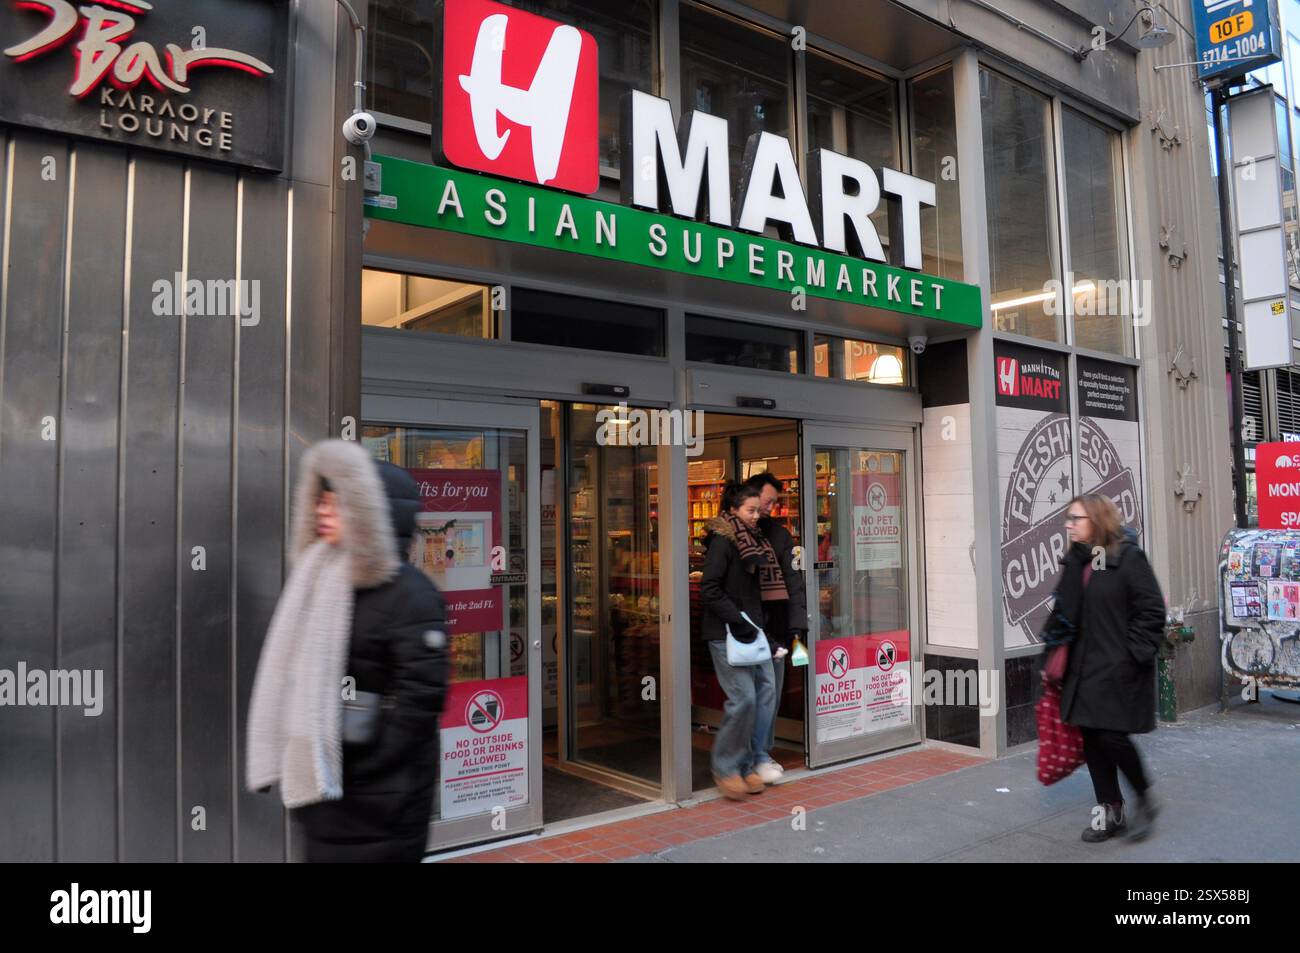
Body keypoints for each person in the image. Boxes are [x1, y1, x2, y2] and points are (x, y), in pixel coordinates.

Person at [246, 439, 449, 862]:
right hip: (325, 790)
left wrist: (365, 766)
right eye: (318, 502)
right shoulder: (317, 583)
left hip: (382, 799)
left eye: (333, 502)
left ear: (369, 512)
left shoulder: (411, 595)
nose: (321, 511)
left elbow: (421, 698)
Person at [1041, 493, 1166, 843]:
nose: (1068, 524)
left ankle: (1145, 797)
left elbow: (1152, 611)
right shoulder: (1080, 560)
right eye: (1068, 518)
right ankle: (1110, 813)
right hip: (1082, 670)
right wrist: (1048, 659)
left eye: (1075, 518)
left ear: (1096, 521)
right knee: (1093, 740)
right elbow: (1064, 614)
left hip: (1116, 669)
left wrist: (1132, 655)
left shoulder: (1127, 557)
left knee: (1111, 736)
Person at [699, 481, 776, 800]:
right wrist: (738, 621)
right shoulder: (724, 541)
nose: (757, 516)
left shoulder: (752, 541)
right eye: (751, 510)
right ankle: (726, 767)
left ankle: (746, 766)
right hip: (726, 633)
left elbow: (751, 594)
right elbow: (710, 589)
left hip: (750, 632)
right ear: (733, 510)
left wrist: (761, 629)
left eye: (759, 510)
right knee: (743, 697)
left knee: (761, 695)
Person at [743, 472, 809, 783]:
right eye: (768, 501)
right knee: (757, 693)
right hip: (749, 628)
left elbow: (793, 582)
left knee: (772, 691)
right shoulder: (736, 534)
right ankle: (753, 756)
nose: (771, 507)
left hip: (778, 627)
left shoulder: (780, 536)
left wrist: (796, 627)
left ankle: (761, 752)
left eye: (773, 502)